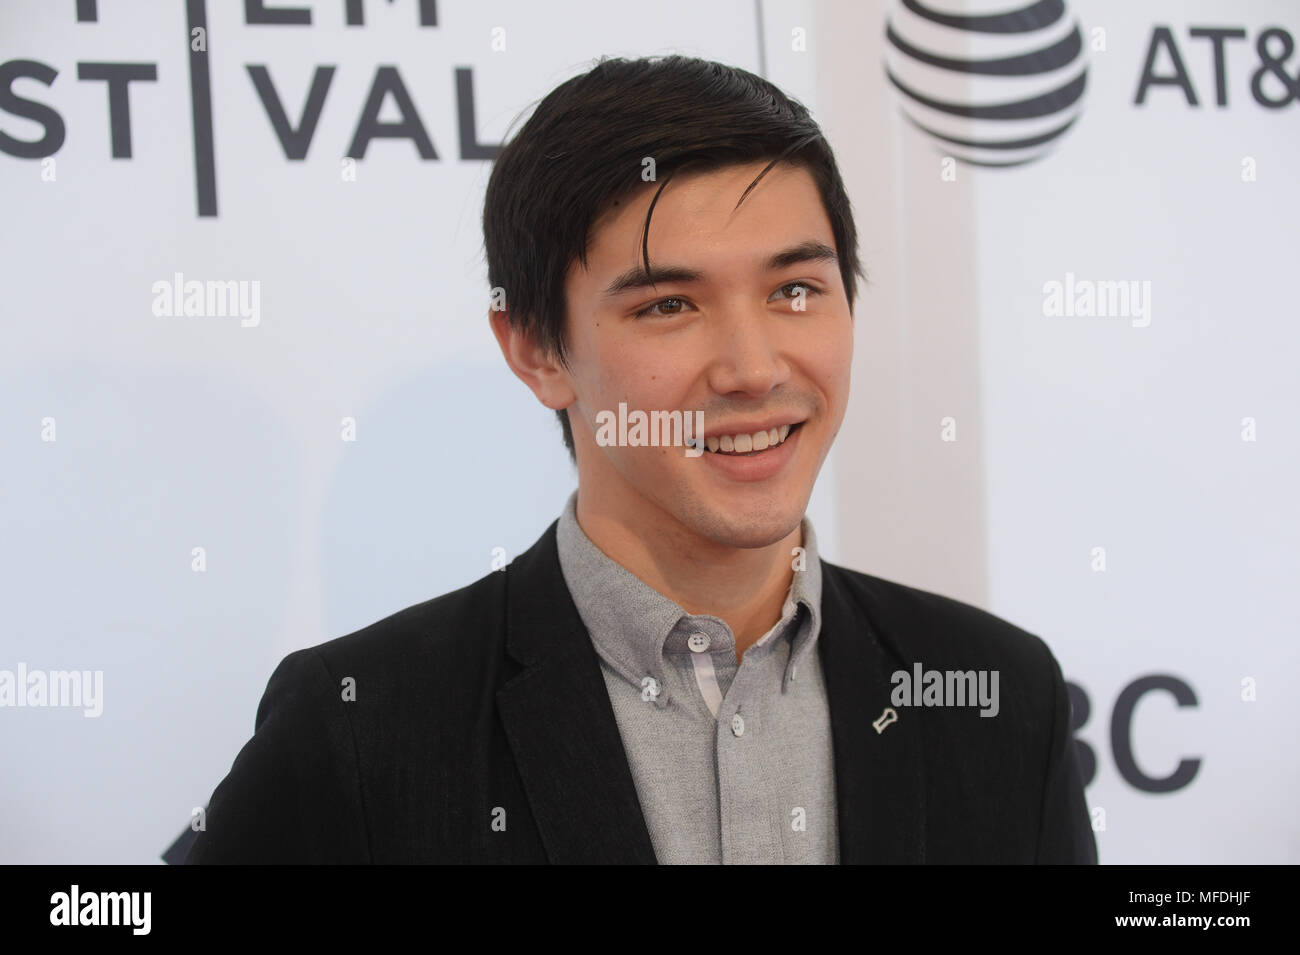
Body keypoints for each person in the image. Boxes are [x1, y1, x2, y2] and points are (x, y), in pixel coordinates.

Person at [186, 54, 1096, 864]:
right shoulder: (359, 726)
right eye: (668, 305)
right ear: (538, 348)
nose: (753, 369)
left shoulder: (999, 695)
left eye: (794, 289)